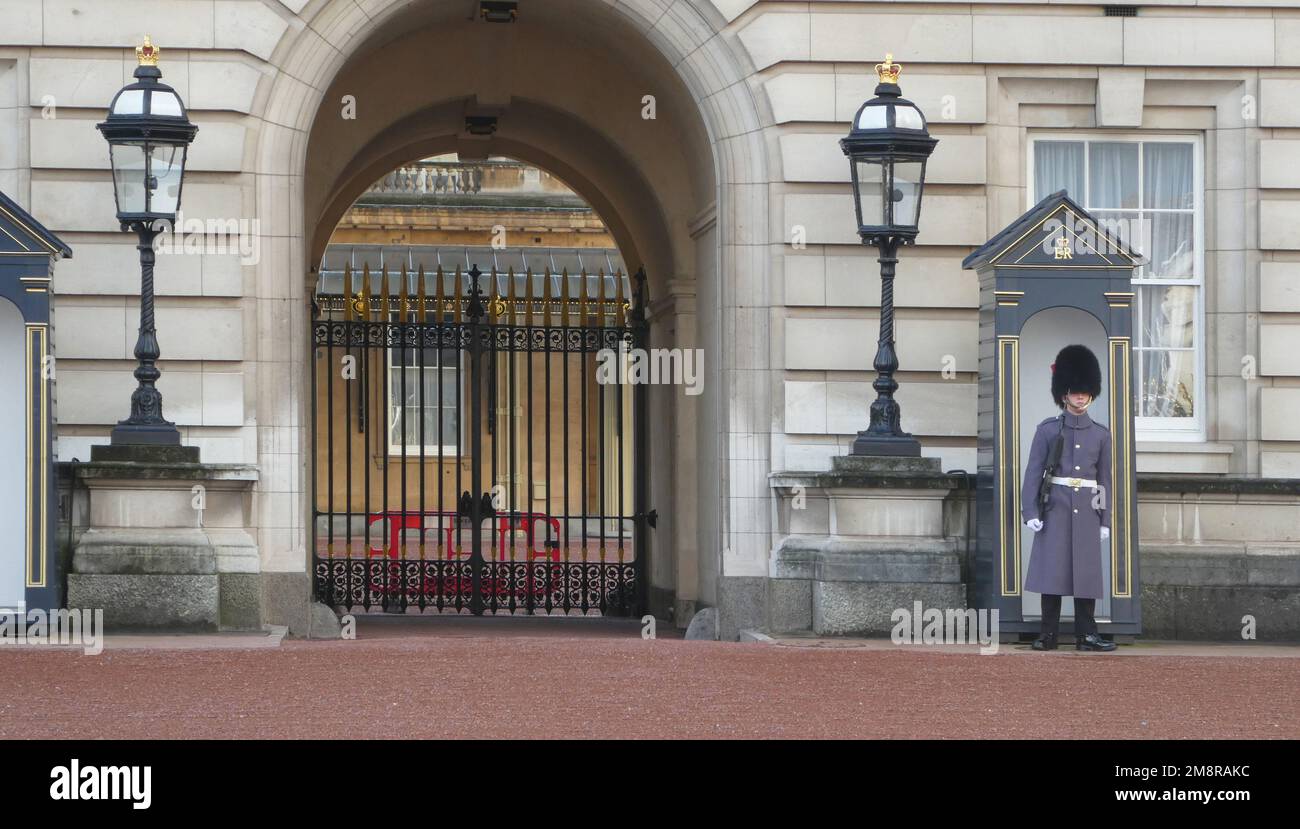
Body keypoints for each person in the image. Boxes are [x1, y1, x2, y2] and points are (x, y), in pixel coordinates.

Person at [1020, 344, 1117, 652]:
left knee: (1086, 573)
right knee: (1053, 572)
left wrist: (1105, 518)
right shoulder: (1048, 430)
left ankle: (1086, 635)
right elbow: (1033, 473)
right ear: (1064, 393)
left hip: (1087, 510)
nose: (1080, 396)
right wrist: (1030, 510)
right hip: (1056, 506)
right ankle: (1047, 634)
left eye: (1084, 392)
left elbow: (1104, 481)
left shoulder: (1101, 435)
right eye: (1074, 391)